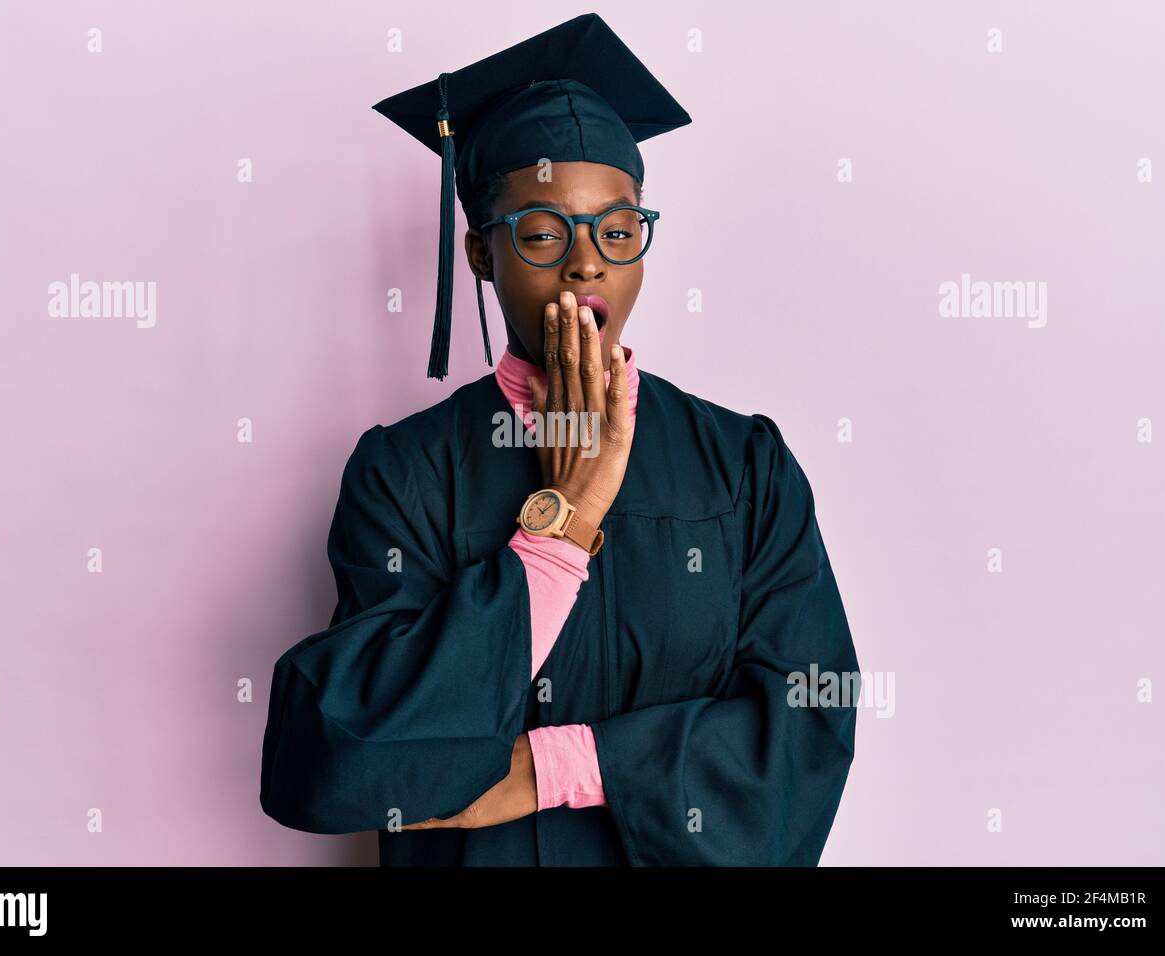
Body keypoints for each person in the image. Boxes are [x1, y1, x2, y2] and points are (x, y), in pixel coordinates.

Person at [259, 12, 860, 866]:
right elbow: (344, 754)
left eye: (618, 231)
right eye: (543, 233)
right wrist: (564, 524)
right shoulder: (405, 473)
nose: (586, 264)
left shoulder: (745, 466)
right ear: (477, 252)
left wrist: (558, 766)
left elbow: (808, 721)